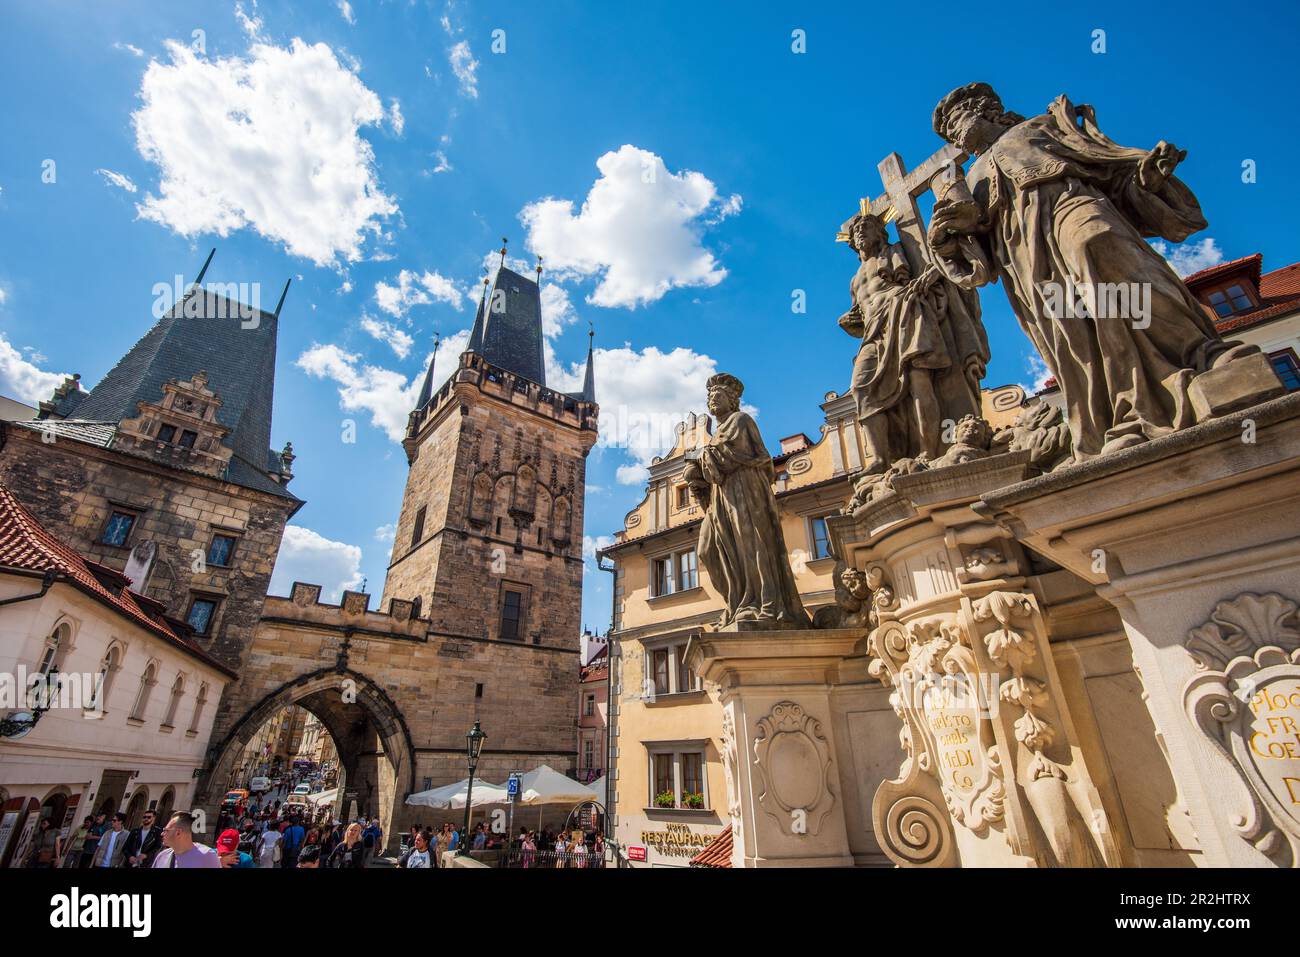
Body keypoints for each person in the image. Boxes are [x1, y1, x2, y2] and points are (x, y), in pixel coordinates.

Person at [152, 811, 221, 868]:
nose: (162, 834)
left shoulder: (207, 856)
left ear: (178, 833)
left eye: (166, 830)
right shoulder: (162, 856)